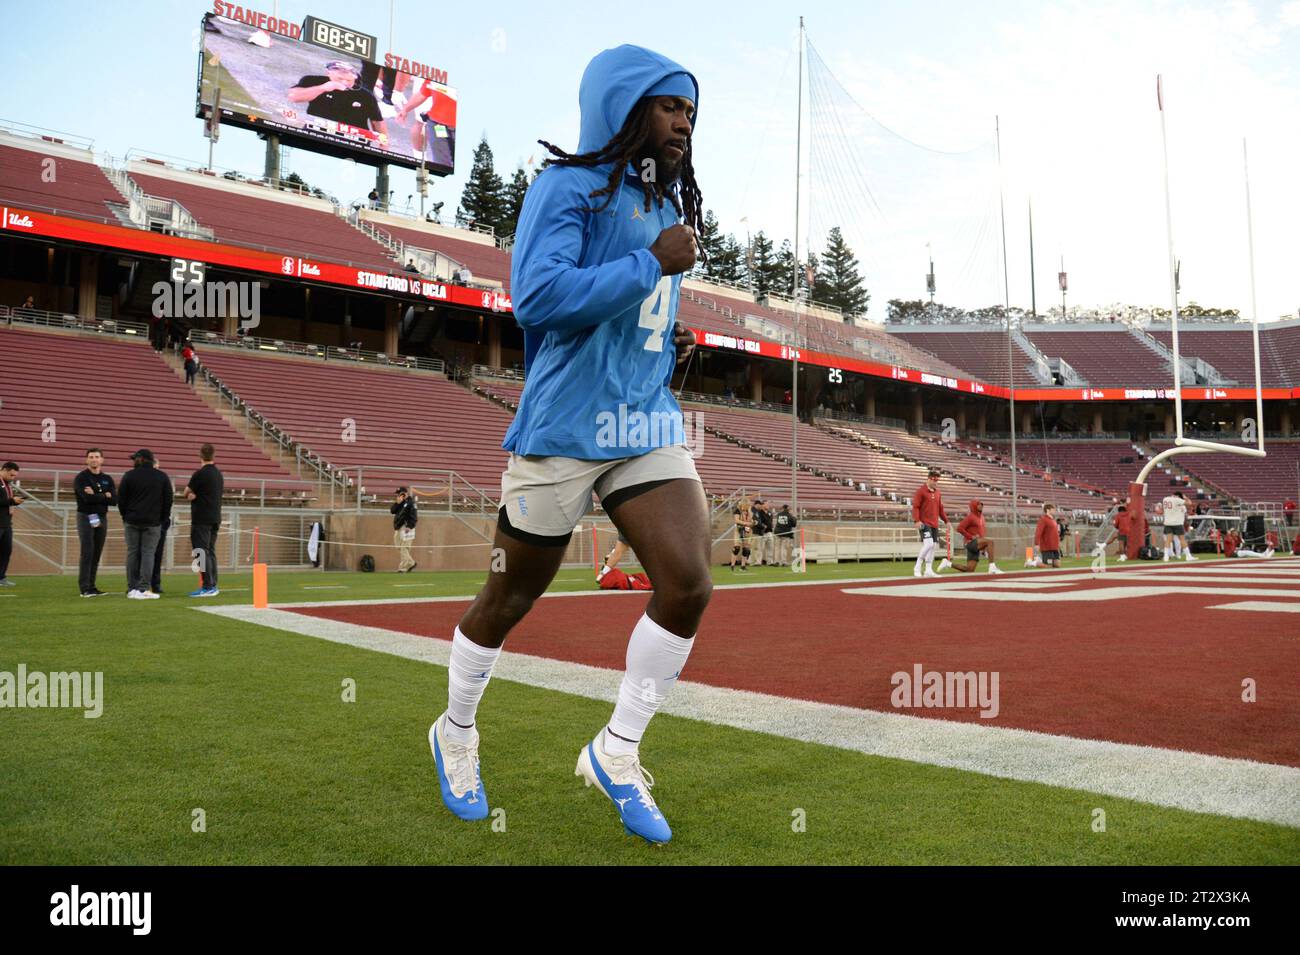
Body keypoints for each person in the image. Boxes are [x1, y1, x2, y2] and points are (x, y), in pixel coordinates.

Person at [426, 44, 706, 845]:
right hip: (563, 429)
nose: (682, 122)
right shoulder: (565, 186)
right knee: (509, 599)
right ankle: (456, 728)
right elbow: (538, 297)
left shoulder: (664, 206)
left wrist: (665, 334)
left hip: (644, 423)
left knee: (687, 584)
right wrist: (648, 265)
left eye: (688, 110)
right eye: (667, 106)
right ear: (623, 109)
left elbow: (626, 308)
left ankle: (617, 750)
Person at [116, 450, 171, 599]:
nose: (133, 461)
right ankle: (144, 588)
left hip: (132, 520)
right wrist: (163, 518)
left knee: (132, 553)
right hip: (153, 523)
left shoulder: (129, 475)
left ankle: (132, 588)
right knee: (148, 554)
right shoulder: (162, 476)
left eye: (135, 459)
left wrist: (125, 516)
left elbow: (121, 499)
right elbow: (168, 501)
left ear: (141, 459)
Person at [288, 61, 388, 141]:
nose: (344, 83)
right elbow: (293, 96)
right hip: (316, 133)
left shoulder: (365, 95)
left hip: (353, 140)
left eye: (348, 80)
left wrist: (383, 147)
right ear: (329, 74)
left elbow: (377, 122)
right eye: (340, 79)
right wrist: (323, 88)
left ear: (355, 77)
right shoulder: (313, 81)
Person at [74, 448, 116, 596]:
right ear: (87, 460)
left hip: (101, 517)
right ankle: (84, 588)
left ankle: (92, 586)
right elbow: (87, 499)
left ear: (102, 460)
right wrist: (105, 495)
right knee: (87, 551)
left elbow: (114, 500)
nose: (94, 459)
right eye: (91, 457)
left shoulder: (107, 478)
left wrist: (98, 495)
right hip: (86, 516)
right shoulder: (81, 478)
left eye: (97, 457)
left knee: (97, 552)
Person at [184, 444, 224, 596]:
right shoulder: (218, 474)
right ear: (214, 455)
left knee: (201, 551)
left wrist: (190, 496)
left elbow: (186, 492)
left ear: (200, 455)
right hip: (215, 517)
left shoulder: (200, 474)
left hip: (201, 518)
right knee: (210, 551)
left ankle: (208, 586)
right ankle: (213, 583)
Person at [938, 499, 1001, 574]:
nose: (981, 506)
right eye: (978, 504)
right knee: (990, 542)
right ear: (974, 506)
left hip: (976, 543)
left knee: (969, 569)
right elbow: (959, 528)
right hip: (970, 542)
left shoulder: (982, 517)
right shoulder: (970, 517)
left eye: (981, 504)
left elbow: (981, 532)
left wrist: (983, 547)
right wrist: (971, 536)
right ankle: (992, 567)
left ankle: (947, 563)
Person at [912, 468, 948, 578]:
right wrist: (917, 520)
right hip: (924, 523)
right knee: (929, 544)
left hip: (934, 523)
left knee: (933, 547)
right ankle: (917, 567)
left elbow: (940, 509)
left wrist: (946, 521)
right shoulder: (921, 491)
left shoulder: (938, 493)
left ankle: (928, 569)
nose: (936, 483)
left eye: (937, 480)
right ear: (929, 479)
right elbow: (916, 507)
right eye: (934, 480)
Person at [0, 461, 23, 587]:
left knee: (6, 551)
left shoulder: (7, 484)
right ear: (4, 470)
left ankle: (1, 578)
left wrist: (15, 502)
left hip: (6, 523)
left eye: (14, 476)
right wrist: (10, 500)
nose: (13, 478)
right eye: (11, 475)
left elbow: (6, 502)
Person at [1161, 491, 1195, 562]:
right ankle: (1188, 556)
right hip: (1177, 523)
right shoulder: (1177, 500)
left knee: (1168, 540)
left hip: (1168, 523)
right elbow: (1189, 503)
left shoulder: (1165, 499)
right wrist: (1185, 497)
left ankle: (1166, 556)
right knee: (1182, 540)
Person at [390, 486, 418, 573]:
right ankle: (411, 563)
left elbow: (414, 516)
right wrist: (397, 503)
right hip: (398, 527)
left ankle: (402, 567)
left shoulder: (411, 503)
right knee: (398, 546)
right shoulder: (400, 502)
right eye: (398, 494)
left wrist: (409, 526)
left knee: (404, 548)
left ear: (405, 493)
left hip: (407, 528)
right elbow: (392, 511)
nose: (399, 495)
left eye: (400, 493)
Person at [1029, 503, 1062, 568]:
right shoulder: (1043, 519)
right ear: (1048, 510)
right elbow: (1038, 532)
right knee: (1049, 566)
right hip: (1047, 547)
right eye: (1053, 509)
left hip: (1054, 547)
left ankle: (1039, 560)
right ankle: (1031, 563)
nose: (1054, 510)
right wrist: (1037, 544)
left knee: (1057, 565)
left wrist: (1058, 543)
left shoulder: (1053, 520)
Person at [729, 499, 753, 572]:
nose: (748, 506)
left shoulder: (749, 512)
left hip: (747, 530)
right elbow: (736, 520)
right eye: (748, 505)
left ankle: (743, 566)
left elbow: (749, 519)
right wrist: (745, 523)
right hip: (739, 529)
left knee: (746, 549)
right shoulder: (738, 510)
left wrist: (749, 511)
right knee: (737, 547)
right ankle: (732, 565)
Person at [751, 498, 774, 565]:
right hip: (762, 532)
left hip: (769, 532)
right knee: (760, 548)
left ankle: (770, 562)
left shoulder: (770, 512)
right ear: (763, 505)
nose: (768, 505)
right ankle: (758, 561)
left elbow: (771, 521)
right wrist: (763, 527)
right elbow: (758, 521)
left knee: (770, 548)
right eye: (767, 504)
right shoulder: (759, 512)